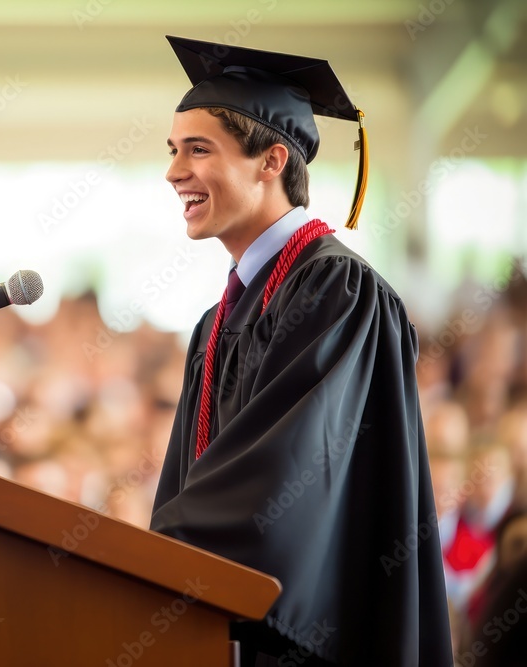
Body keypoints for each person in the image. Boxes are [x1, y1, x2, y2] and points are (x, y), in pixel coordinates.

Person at [149, 36, 452, 666]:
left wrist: (160, 548)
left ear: (271, 160)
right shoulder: (218, 322)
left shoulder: (336, 291)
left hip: (318, 629)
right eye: (174, 150)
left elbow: (289, 474)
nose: (174, 171)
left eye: (198, 149)